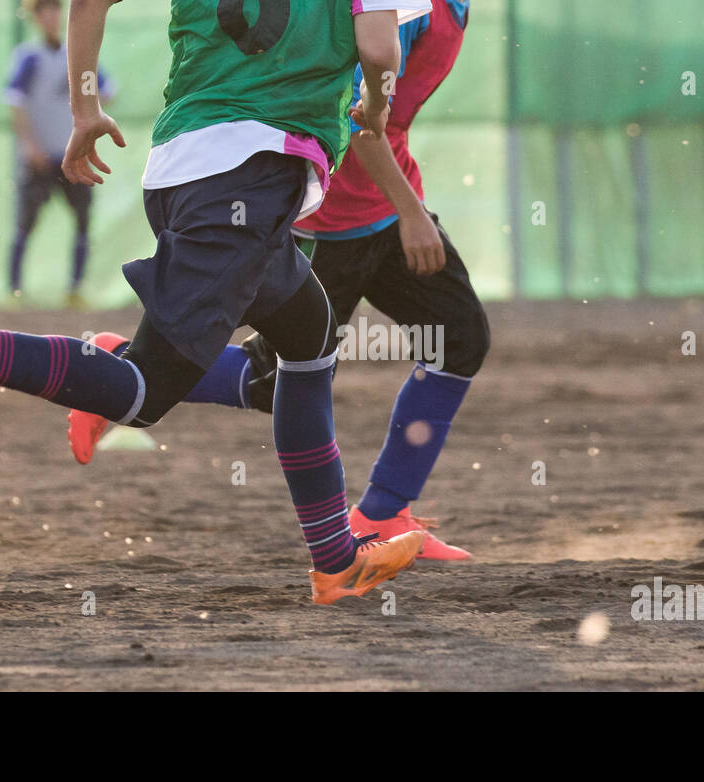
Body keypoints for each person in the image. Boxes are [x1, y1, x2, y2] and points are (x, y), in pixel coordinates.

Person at [0, 0, 432, 606]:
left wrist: (85, 108)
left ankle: (336, 562)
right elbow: (378, 49)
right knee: (141, 394)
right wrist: (378, 100)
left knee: (309, 337)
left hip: (186, 168)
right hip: (251, 177)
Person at [66, 0, 485, 561]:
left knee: (459, 339)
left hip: (378, 211)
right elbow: (360, 117)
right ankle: (118, 371)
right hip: (337, 217)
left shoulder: (452, 10)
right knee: (275, 378)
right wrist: (413, 215)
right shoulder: (411, 12)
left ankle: (382, 513)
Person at [4, 0, 115, 307]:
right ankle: (14, 290)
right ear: (35, 17)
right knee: (24, 225)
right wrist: (29, 147)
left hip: (74, 158)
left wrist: (91, 114)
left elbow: (108, 90)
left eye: (55, 8)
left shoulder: (76, 56)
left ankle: (75, 289)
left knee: (82, 223)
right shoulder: (28, 58)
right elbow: (15, 103)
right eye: (44, 10)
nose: (51, 16)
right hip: (39, 160)